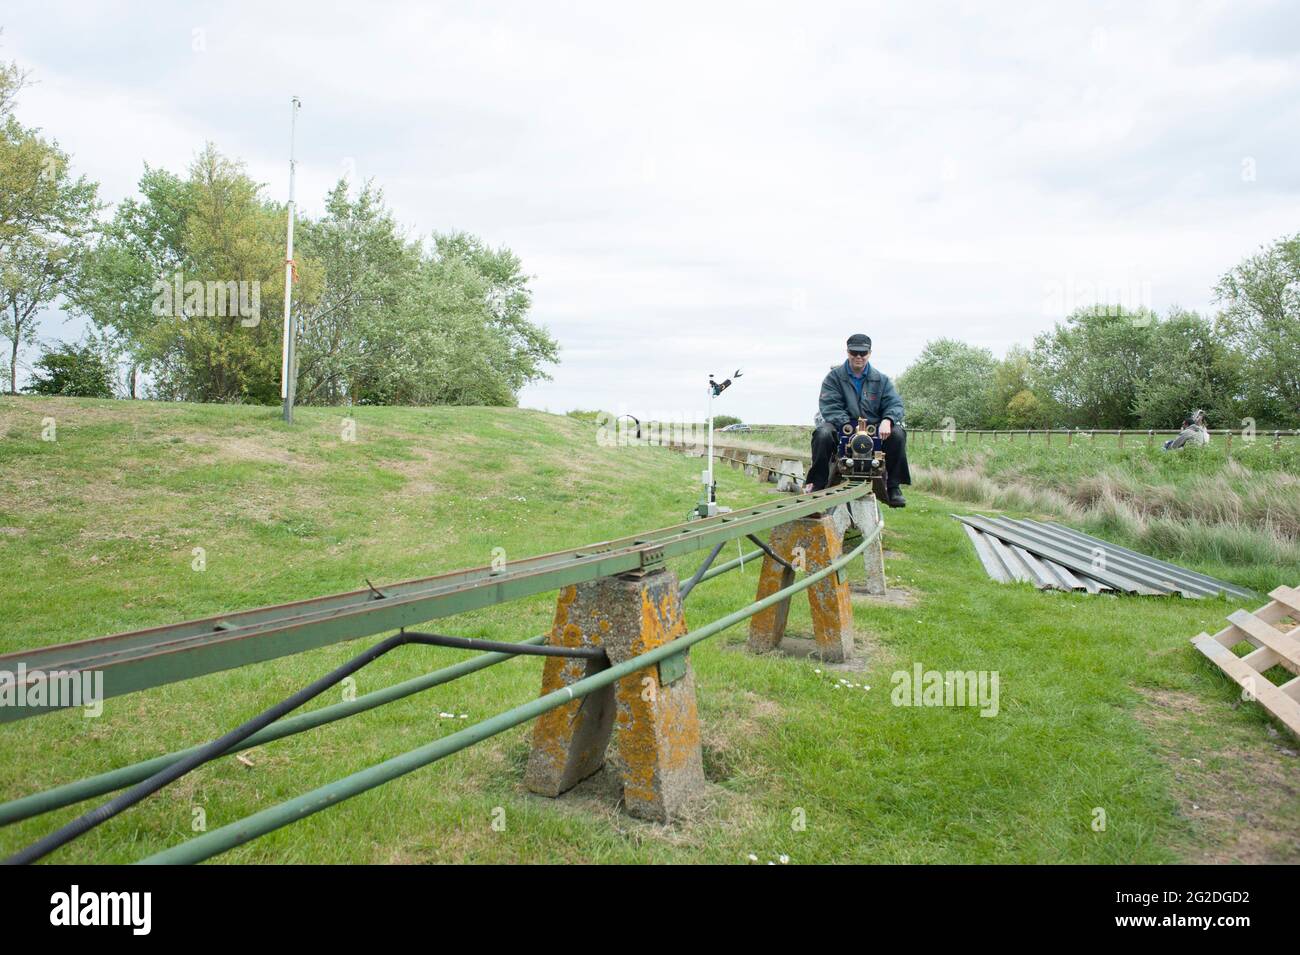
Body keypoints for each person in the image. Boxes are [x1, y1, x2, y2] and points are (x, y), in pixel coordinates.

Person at [803, 333, 910, 507]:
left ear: (869, 353)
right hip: (842, 427)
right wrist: (848, 426)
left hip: (873, 427)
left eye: (863, 353)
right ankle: (818, 483)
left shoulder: (882, 380)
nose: (858, 357)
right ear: (847, 352)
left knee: (898, 434)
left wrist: (888, 420)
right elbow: (829, 405)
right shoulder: (834, 378)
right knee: (822, 434)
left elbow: (895, 404)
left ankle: (893, 487)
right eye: (854, 353)